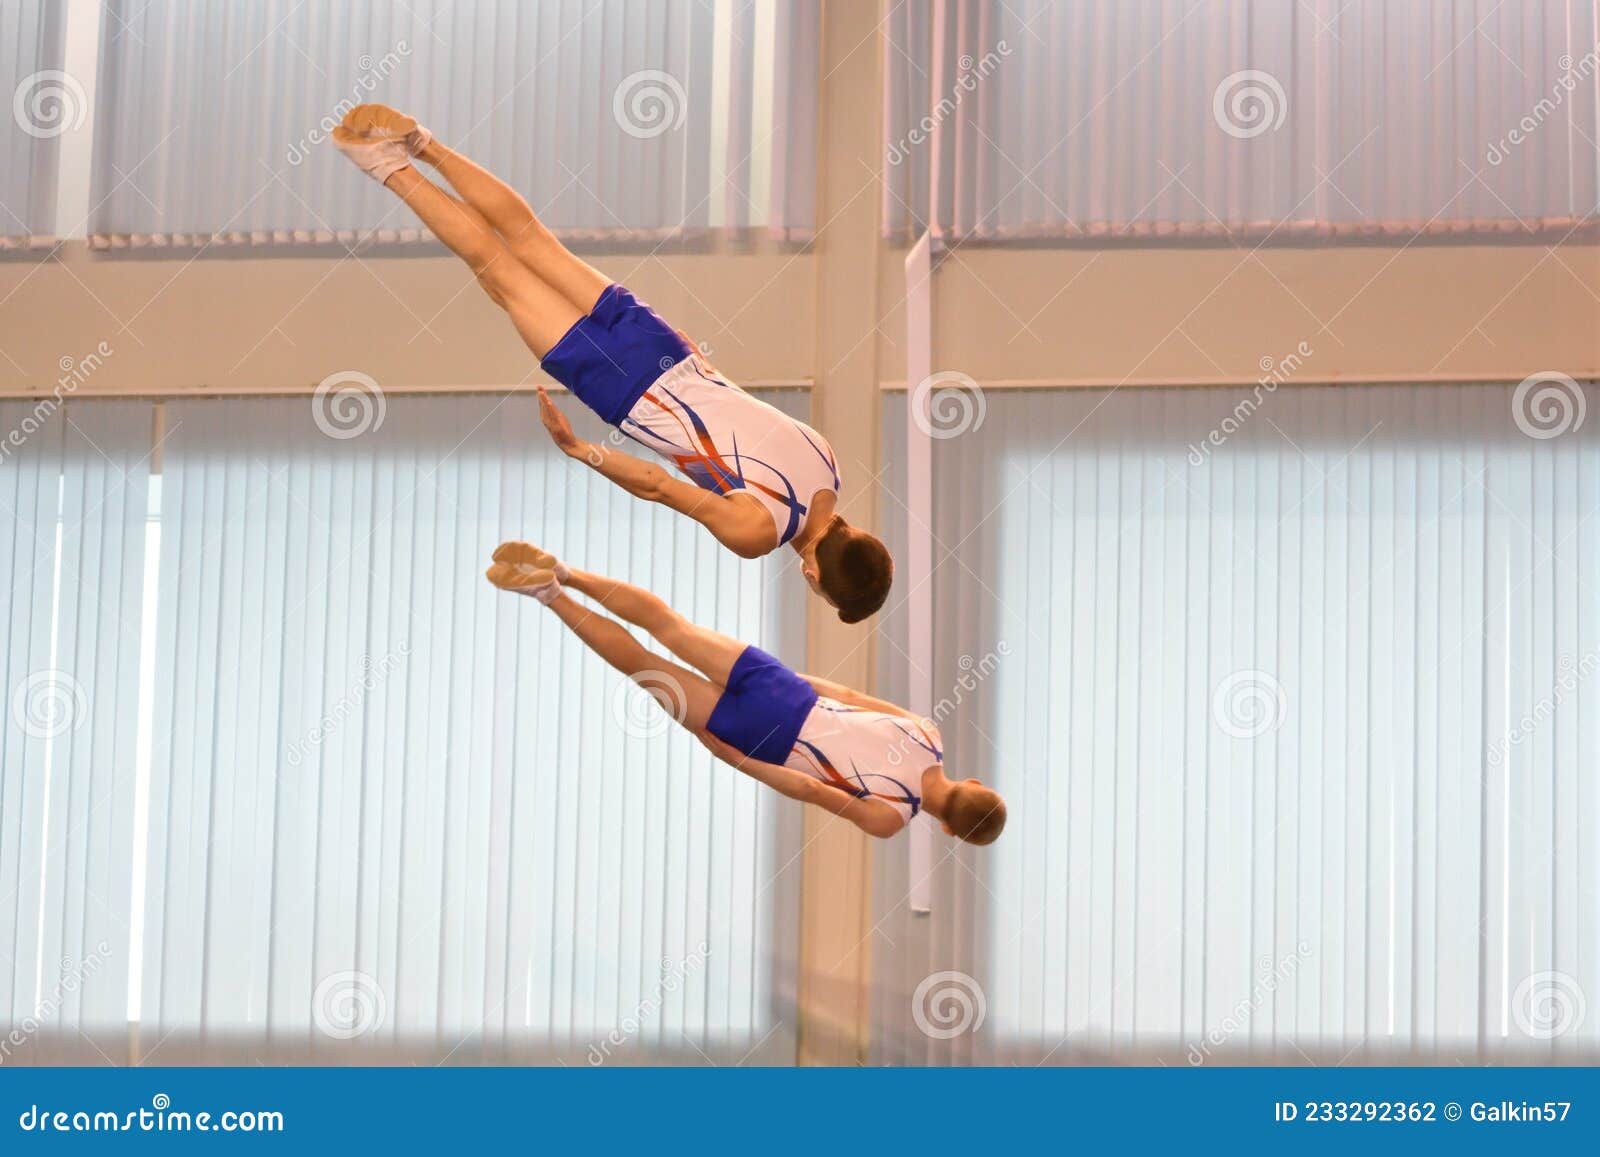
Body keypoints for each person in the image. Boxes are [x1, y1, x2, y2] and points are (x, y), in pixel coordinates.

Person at [333, 104, 893, 623]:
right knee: (498, 270)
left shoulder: (827, 460)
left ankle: (422, 145)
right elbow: (657, 485)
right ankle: (386, 164)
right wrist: (583, 451)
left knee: (532, 242)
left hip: (671, 351)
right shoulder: (758, 533)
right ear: (815, 575)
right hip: (628, 390)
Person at [484, 542, 1005, 844]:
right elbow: (812, 791)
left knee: (671, 626)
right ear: (948, 832)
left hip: (789, 694)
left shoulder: (926, 732)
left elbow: (847, 692)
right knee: (646, 668)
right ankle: (549, 595)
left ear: (973, 780)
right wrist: (736, 760)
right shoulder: (890, 818)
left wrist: (786, 680)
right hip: (768, 741)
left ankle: (568, 573)